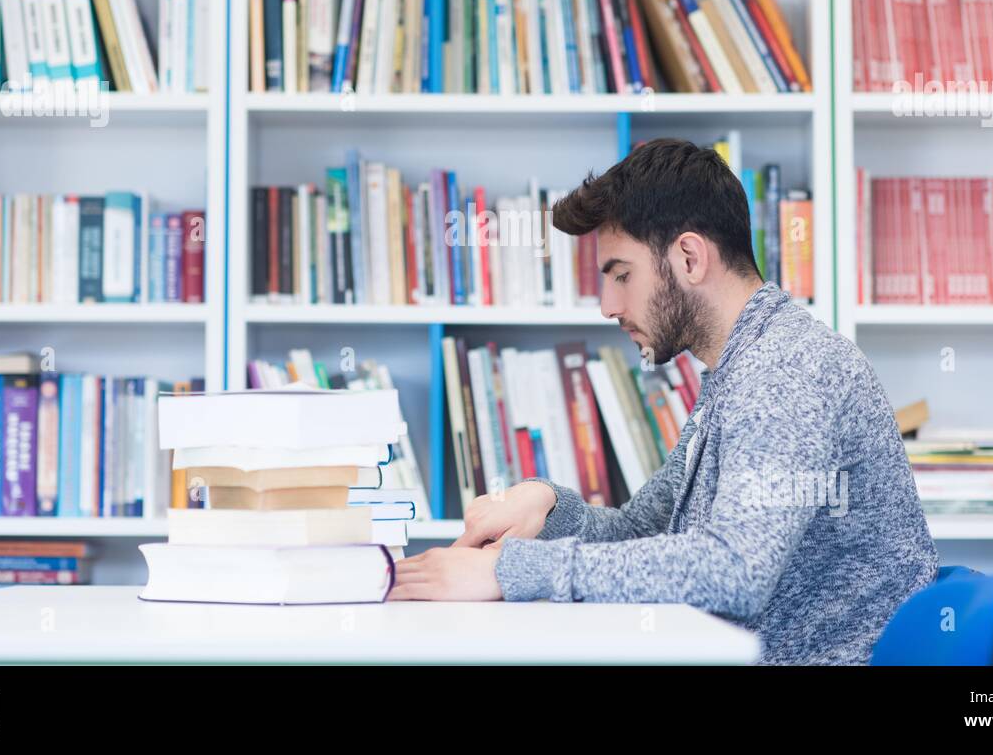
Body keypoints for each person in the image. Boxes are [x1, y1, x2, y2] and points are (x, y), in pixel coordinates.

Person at [389, 138, 938, 664]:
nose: (607, 305)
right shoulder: (737, 370)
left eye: (621, 276)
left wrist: (512, 570)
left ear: (690, 258)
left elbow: (734, 569)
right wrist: (547, 506)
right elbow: (642, 531)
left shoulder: (787, 370)